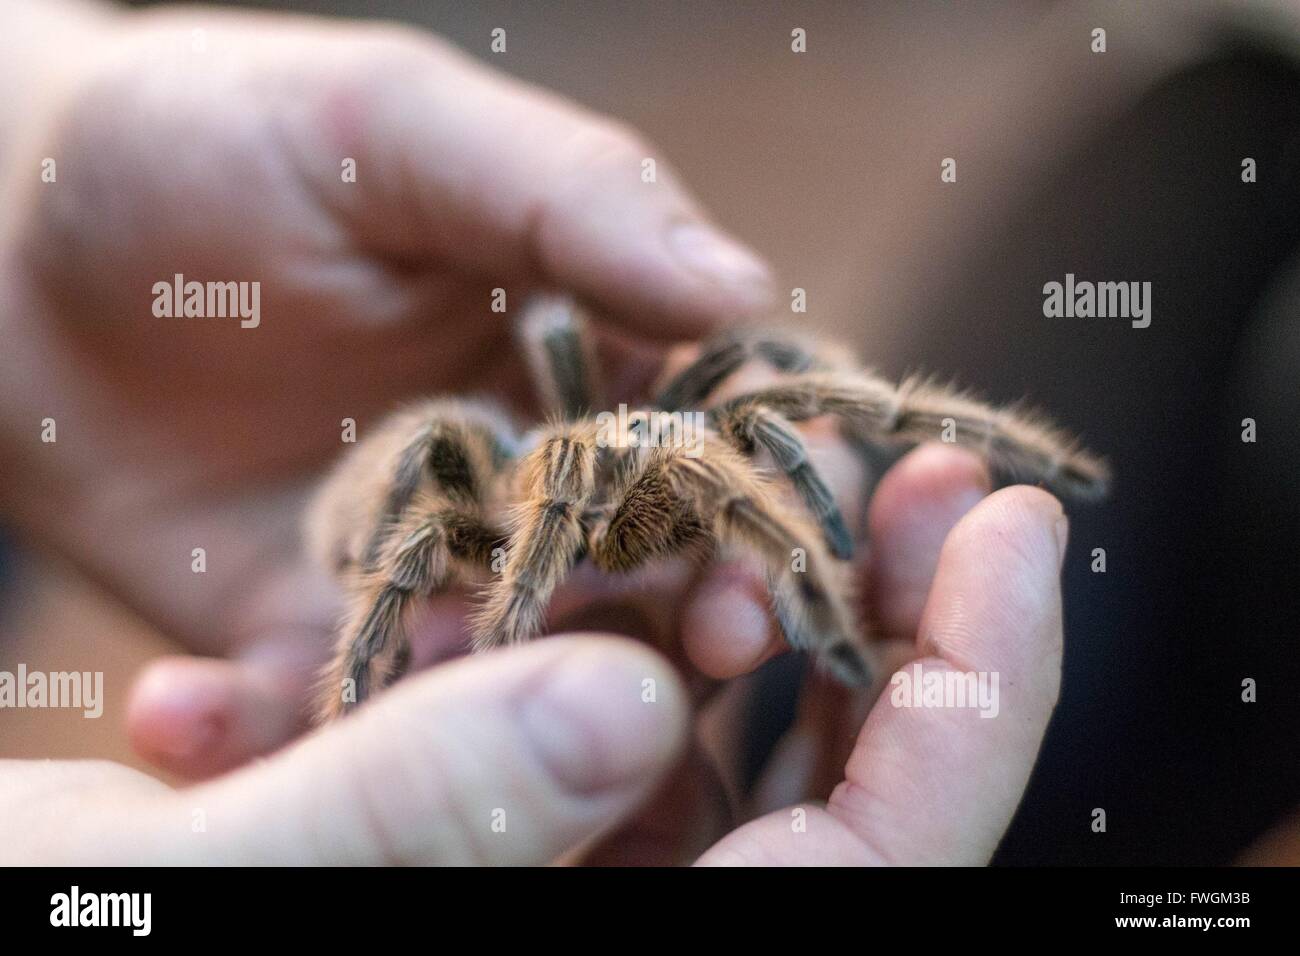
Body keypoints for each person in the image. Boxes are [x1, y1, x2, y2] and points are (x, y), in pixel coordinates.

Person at [0, 0, 1068, 865]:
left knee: (751, 400)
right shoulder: (512, 486)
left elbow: (755, 390)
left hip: (569, 477)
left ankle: (937, 531)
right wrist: (503, 643)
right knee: (441, 494)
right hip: (491, 507)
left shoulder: (674, 440)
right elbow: (541, 451)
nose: (663, 437)